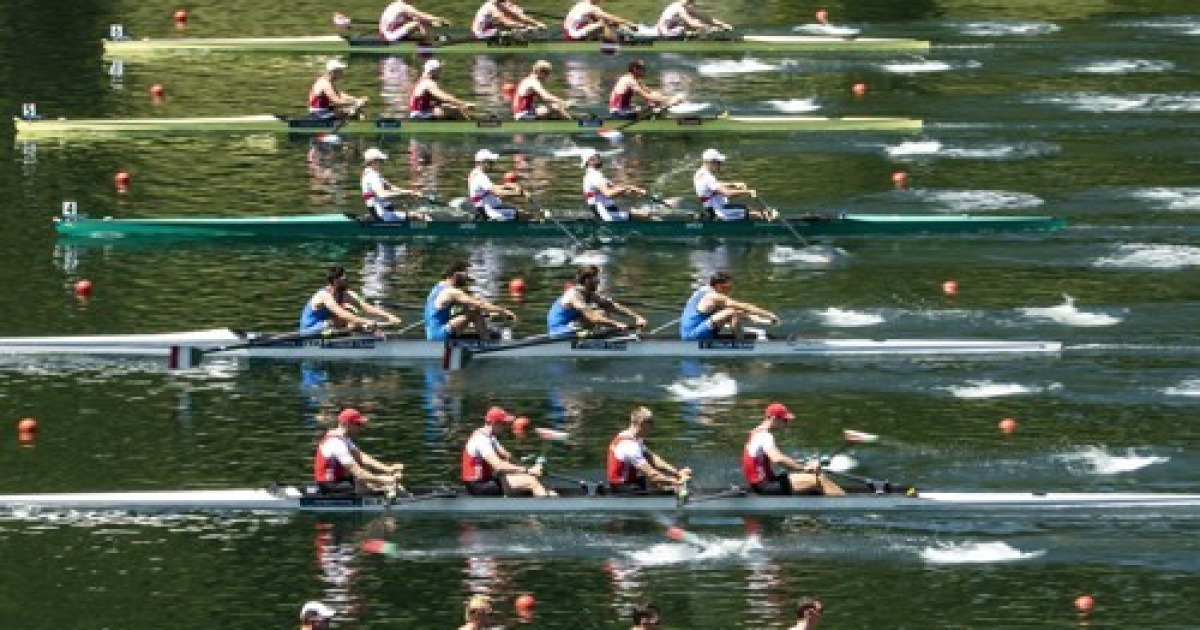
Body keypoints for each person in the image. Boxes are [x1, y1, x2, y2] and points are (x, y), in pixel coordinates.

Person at [743, 403, 845, 496]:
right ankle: (845, 504)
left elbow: (780, 459)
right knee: (819, 479)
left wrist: (805, 468)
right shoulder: (764, 435)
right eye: (785, 420)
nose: (787, 424)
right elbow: (778, 459)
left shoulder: (755, 432)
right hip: (765, 486)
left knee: (811, 480)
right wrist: (804, 468)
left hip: (763, 483)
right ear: (774, 418)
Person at [462, 406, 555, 497]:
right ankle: (544, 510)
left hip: (487, 480)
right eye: (503, 423)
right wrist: (529, 471)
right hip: (478, 486)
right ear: (494, 423)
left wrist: (531, 469)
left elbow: (507, 456)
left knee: (534, 479)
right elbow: (498, 466)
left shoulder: (489, 436)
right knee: (531, 482)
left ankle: (549, 498)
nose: (506, 426)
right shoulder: (481, 440)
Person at [314, 407, 406, 495]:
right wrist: (384, 480)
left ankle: (385, 488)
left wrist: (387, 469)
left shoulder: (343, 438)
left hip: (341, 480)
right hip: (329, 486)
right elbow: (358, 472)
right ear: (346, 424)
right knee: (369, 482)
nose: (361, 427)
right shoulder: (336, 443)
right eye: (358, 424)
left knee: (372, 482)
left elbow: (361, 457)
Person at [424, 260, 517, 340]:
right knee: (474, 314)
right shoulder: (451, 292)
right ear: (455, 274)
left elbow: (471, 305)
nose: (467, 277)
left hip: (433, 333)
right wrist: (503, 311)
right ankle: (487, 343)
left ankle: (487, 335)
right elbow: (480, 305)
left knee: (473, 309)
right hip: (438, 335)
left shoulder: (439, 286)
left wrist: (490, 312)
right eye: (465, 273)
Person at [607, 406, 691, 495]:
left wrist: (677, 472)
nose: (653, 426)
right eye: (651, 422)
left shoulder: (632, 437)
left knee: (652, 481)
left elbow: (653, 459)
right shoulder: (629, 446)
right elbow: (653, 475)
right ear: (642, 423)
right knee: (663, 484)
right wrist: (676, 482)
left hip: (631, 482)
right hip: (622, 488)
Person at [546, 265, 647, 336]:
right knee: (598, 314)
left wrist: (637, 317)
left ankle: (604, 338)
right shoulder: (574, 295)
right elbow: (593, 317)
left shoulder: (589, 293)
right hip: (559, 331)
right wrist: (616, 324)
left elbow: (612, 306)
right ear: (587, 280)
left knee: (603, 310)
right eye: (596, 279)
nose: (598, 282)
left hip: (572, 327)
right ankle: (603, 339)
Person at [299, 267, 403, 334]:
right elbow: (343, 315)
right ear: (335, 281)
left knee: (352, 317)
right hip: (310, 329)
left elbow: (366, 307)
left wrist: (390, 316)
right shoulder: (324, 295)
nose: (347, 281)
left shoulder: (346, 294)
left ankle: (362, 338)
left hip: (326, 328)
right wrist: (367, 321)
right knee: (346, 317)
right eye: (344, 279)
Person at [679, 272, 780, 340]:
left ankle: (740, 340)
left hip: (694, 332)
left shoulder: (703, 290)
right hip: (692, 337)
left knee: (731, 312)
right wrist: (769, 314)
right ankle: (741, 344)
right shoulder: (713, 297)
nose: (729, 290)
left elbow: (742, 313)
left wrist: (765, 321)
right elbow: (745, 307)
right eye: (727, 287)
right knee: (731, 311)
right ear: (718, 286)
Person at [693, 148, 774, 221]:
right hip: (719, 211)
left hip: (712, 208)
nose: (720, 165)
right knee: (747, 211)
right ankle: (766, 219)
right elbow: (727, 193)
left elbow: (715, 185)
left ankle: (765, 216)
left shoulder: (700, 173)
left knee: (745, 207)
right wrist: (747, 191)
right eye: (718, 163)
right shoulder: (708, 177)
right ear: (710, 162)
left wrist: (734, 184)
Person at [579, 149, 655, 221]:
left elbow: (615, 189)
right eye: (595, 156)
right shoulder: (594, 175)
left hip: (608, 210)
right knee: (647, 216)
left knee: (645, 212)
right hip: (607, 215)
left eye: (598, 155)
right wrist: (628, 187)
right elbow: (608, 193)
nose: (599, 157)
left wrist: (635, 190)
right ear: (589, 161)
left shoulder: (595, 175)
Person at [360, 147, 432, 222]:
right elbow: (382, 194)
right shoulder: (372, 176)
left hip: (382, 212)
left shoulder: (370, 174)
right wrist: (406, 195)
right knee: (422, 217)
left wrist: (411, 192)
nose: (382, 163)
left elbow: (392, 187)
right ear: (373, 161)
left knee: (410, 211)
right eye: (381, 161)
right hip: (384, 215)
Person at [468, 149, 532, 220]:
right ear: (483, 162)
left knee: (522, 212)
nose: (492, 165)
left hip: (490, 207)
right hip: (488, 210)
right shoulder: (480, 177)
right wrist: (519, 193)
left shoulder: (475, 172)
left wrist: (507, 186)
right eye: (491, 162)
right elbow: (498, 193)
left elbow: (492, 188)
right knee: (525, 216)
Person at [608, 59, 684, 118]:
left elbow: (651, 93)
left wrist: (666, 99)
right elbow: (647, 96)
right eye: (642, 68)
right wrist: (671, 99)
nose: (645, 70)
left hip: (624, 110)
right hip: (618, 113)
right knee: (653, 107)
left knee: (653, 102)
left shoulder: (636, 80)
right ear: (635, 69)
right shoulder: (629, 80)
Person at [408, 59, 475, 119]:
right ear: (433, 71)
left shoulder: (421, 81)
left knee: (451, 108)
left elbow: (440, 101)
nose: (441, 72)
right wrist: (464, 103)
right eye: (439, 70)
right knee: (454, 111)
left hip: (418, 113)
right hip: (418, 115)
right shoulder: (428, 83)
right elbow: (446, 98)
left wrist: (457, 106)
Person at [563, 0, 639, 41]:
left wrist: (619, 25)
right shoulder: (590, 7)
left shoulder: (583, 4)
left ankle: (624, 35)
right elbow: (611, 17)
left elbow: (609, 21)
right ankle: (611, 45)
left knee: (606, 22)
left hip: (570, 34)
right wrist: (629, 23)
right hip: (573, 36)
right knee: (603, 24)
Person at [378, 0, 450, 42]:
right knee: (417, 23)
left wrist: (433, 22)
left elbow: (414, 17)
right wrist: (439, 19)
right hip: (388, 36)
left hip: (386, 33)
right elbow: (422, 15)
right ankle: (432, 40)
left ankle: (435, 33)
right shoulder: (404, 7)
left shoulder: (397, 3)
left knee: (415, 19)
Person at [472, 0, 546, 39]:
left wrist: (537, 23)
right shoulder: (492, 7)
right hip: (481, 33)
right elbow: (506, 22)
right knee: (515, 31)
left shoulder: (499, 3)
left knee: (516, 29)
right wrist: (526, 26)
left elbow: (518, 16)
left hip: (489, 27)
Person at [656, 0, 732, 38]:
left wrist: (722, 24)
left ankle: (692, 34)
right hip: (665, 33)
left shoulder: (685, 5)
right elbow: (691, 23)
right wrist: (709, 27)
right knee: (696, 24)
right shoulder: (679, 8)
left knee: (698, 22)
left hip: (670, 30)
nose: (693, 4)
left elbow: (705, 17)